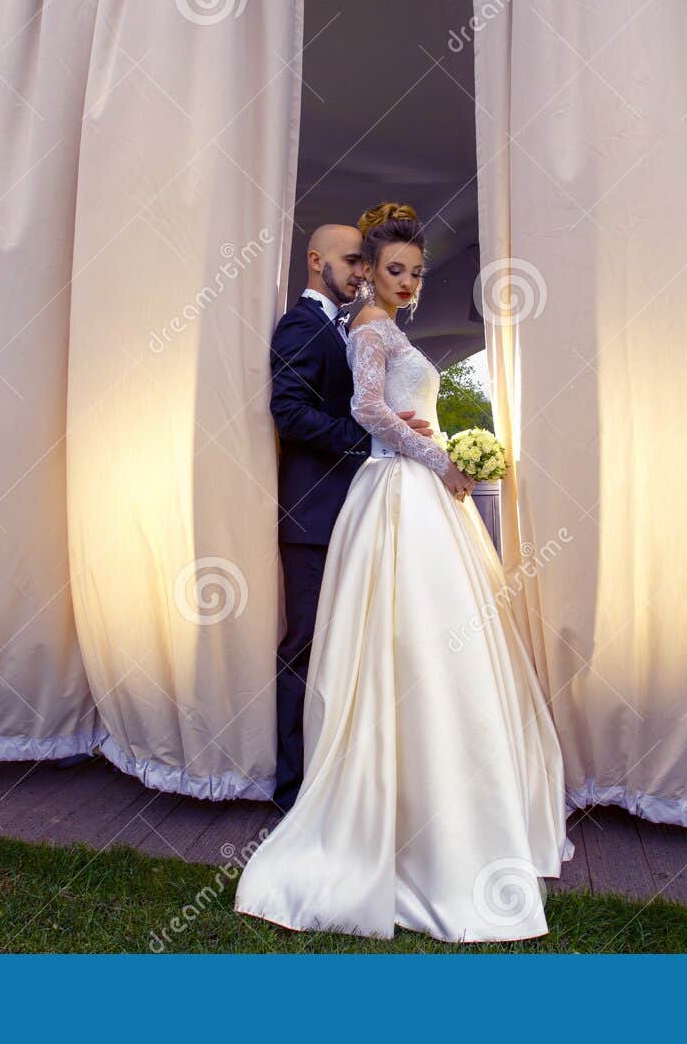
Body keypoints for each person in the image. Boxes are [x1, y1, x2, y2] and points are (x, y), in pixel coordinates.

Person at [238, 203, 571, 942]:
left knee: (426, 642)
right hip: (376, 496)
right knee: (358, 648)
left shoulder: (382, 327)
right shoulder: (355, 327)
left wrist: (439, 448)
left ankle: (435, 797)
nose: (393, 277)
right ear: (341, 267)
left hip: (407, 495)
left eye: (407, 270)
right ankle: (333, 798)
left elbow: (387, 406)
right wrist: (431, 456)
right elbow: (357, 408)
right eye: (384, 266)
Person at [268, 221, 433, 812]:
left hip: (359, 511)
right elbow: (288, 413)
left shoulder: (352, 328)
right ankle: (292, 792)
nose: (362, 272)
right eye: (353, 261)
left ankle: (348, 781)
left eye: (367, 263)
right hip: (313, 516)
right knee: (305, 648)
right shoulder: (300, 325)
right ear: (316, 262)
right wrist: (372, 444)